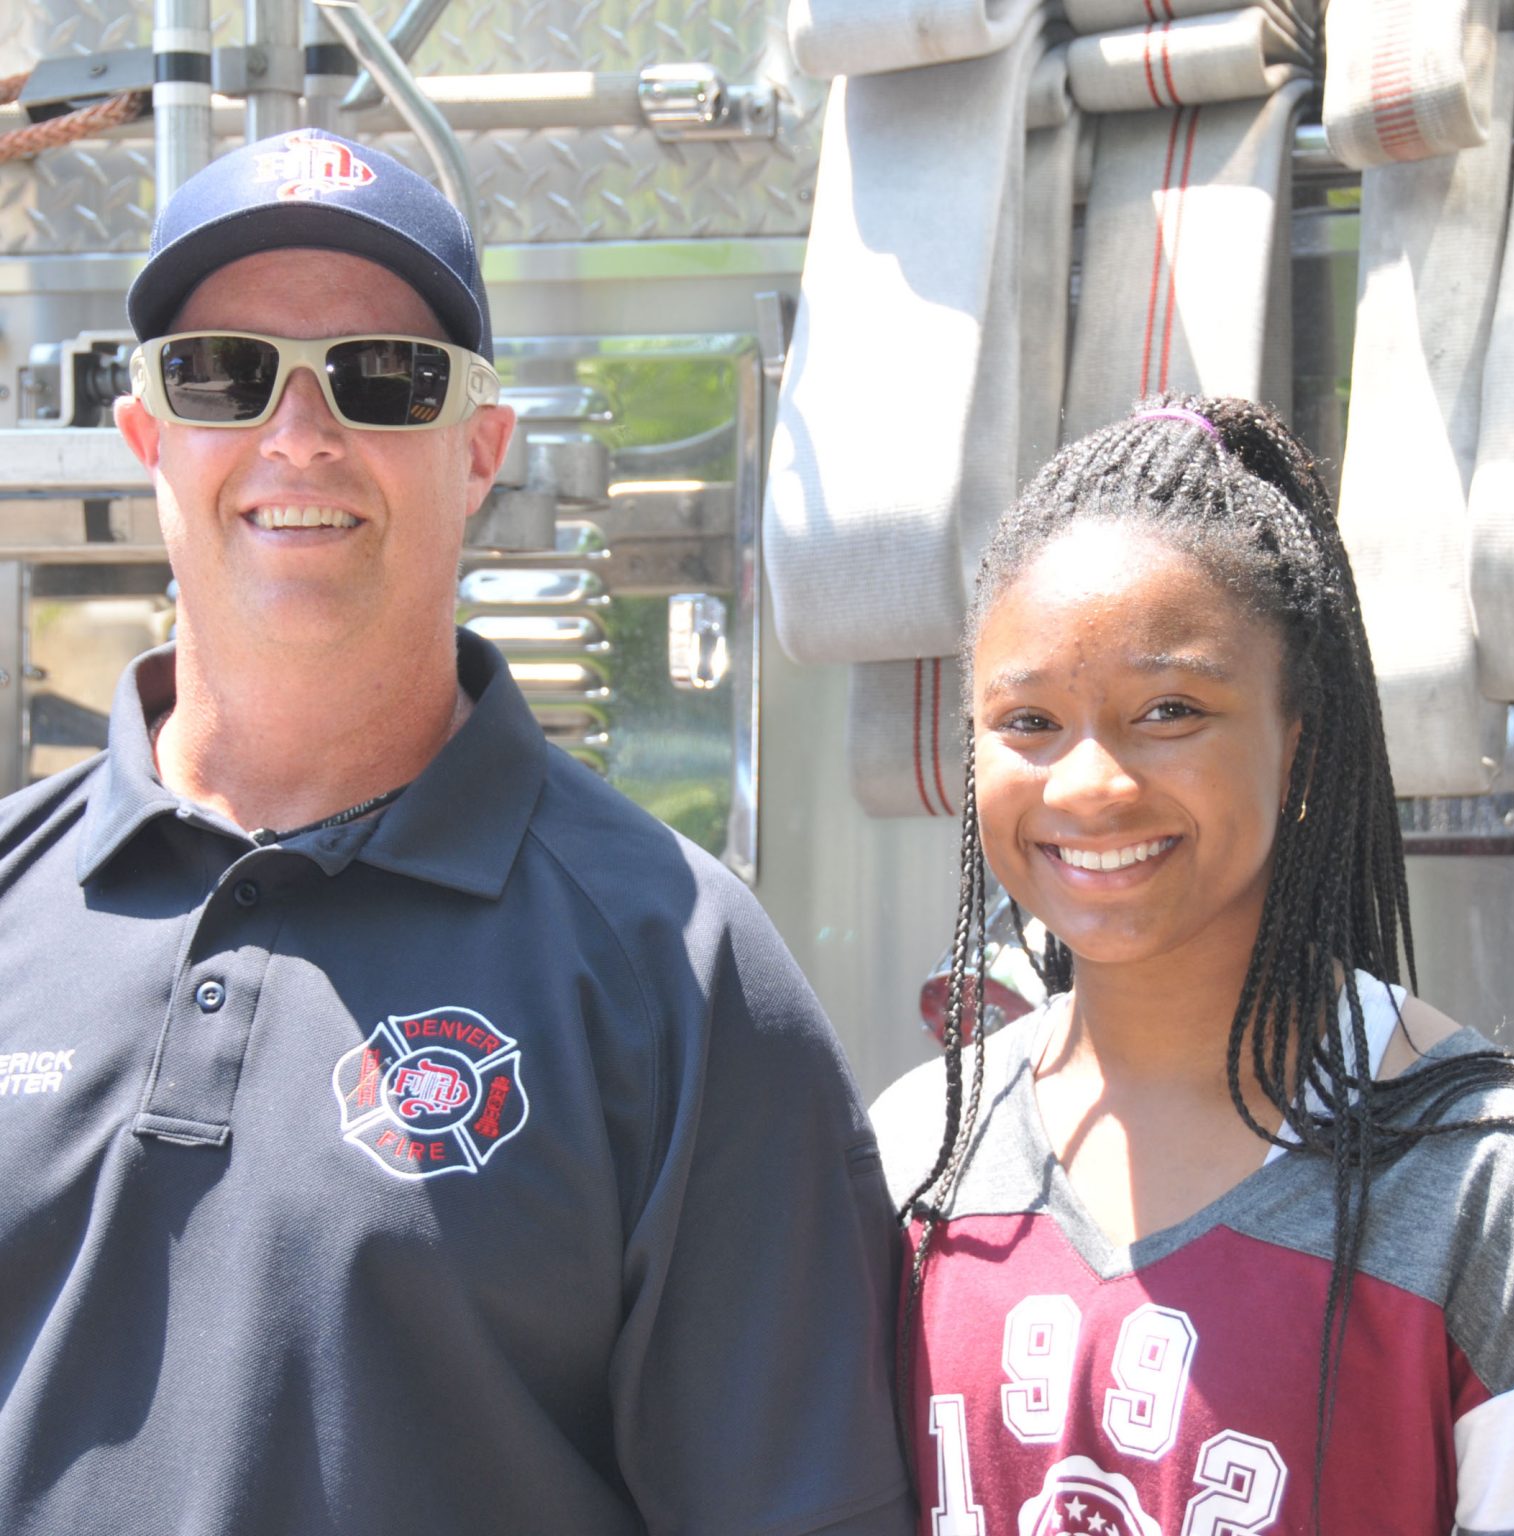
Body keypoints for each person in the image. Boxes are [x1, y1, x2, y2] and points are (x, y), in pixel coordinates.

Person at [0, 128, 911, 1534]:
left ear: (481, 448)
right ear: (147, 440)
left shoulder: (681, 966)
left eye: (381, 379)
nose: (299, 435)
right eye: (224, 373)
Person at [872, 397, 1514, 1535]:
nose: (1088, 785)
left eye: (1169, 709)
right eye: (1027, 722)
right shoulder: (915, 1155)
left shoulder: (1483, 1188)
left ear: (1300, 741)